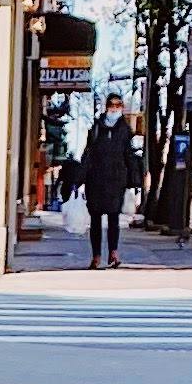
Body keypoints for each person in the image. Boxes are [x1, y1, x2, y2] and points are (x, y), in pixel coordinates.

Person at [76, 96, 141, 267]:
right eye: (111, 105)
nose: (114, 108)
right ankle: (96, 256)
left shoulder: (125, 130)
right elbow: (88, 154)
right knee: (95, 220)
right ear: (106, 107)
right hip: (96, 180)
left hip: (116, 181)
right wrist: (80, 177)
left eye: (118, 105)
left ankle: (113, 253)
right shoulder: (97, 127)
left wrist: (134, 180)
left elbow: (129, 155)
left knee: (114, 219)